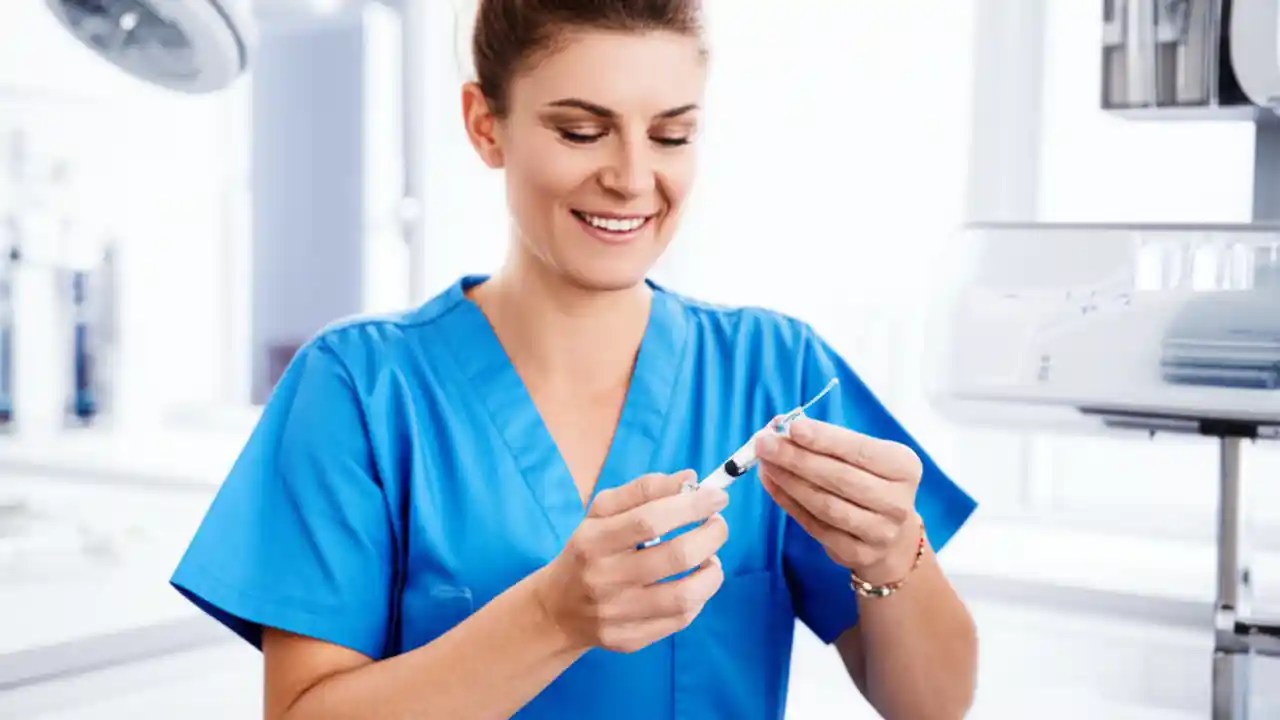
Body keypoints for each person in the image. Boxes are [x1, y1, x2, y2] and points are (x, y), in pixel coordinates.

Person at [170, 1, 979, 717]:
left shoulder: (774, 369)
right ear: (486, 124)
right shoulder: (359, 388)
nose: (632, 178)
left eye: (672, 134)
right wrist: (552, 618)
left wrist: (892, 552)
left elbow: (933, 707)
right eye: (581, 131)